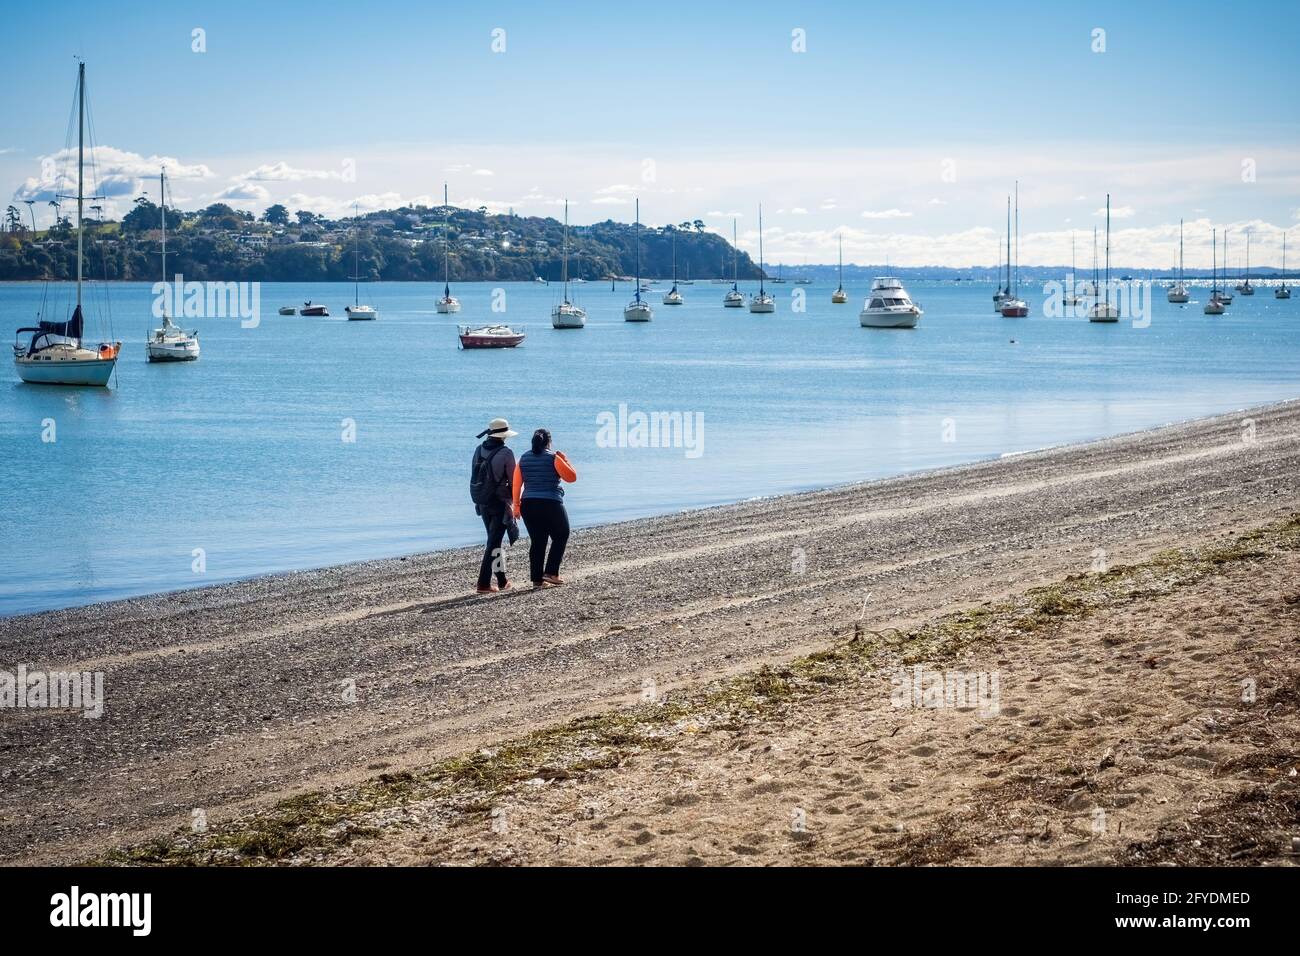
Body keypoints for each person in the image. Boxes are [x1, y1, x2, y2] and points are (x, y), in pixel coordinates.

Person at [512, 428, 577, 587]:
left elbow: (516, 483)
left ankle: (537, 580)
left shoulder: (523, 459)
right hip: (551, 503)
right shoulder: (554, 458)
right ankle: (551, 572)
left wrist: (516, 506)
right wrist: (565, 459)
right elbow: (572, 477)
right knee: (561, 534)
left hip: (528, 504)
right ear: (549, 442)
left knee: (538, 540)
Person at [469, 417, 519, 594]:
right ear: (504, 435)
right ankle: (483, 583)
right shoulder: (506, 453)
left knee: (495, 541)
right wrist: (516, 503)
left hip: (482, 500)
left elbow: (475, 476)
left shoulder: (478, 449)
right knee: (493, 542)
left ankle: (502, 579)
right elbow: (514, 481)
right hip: (499, 502)